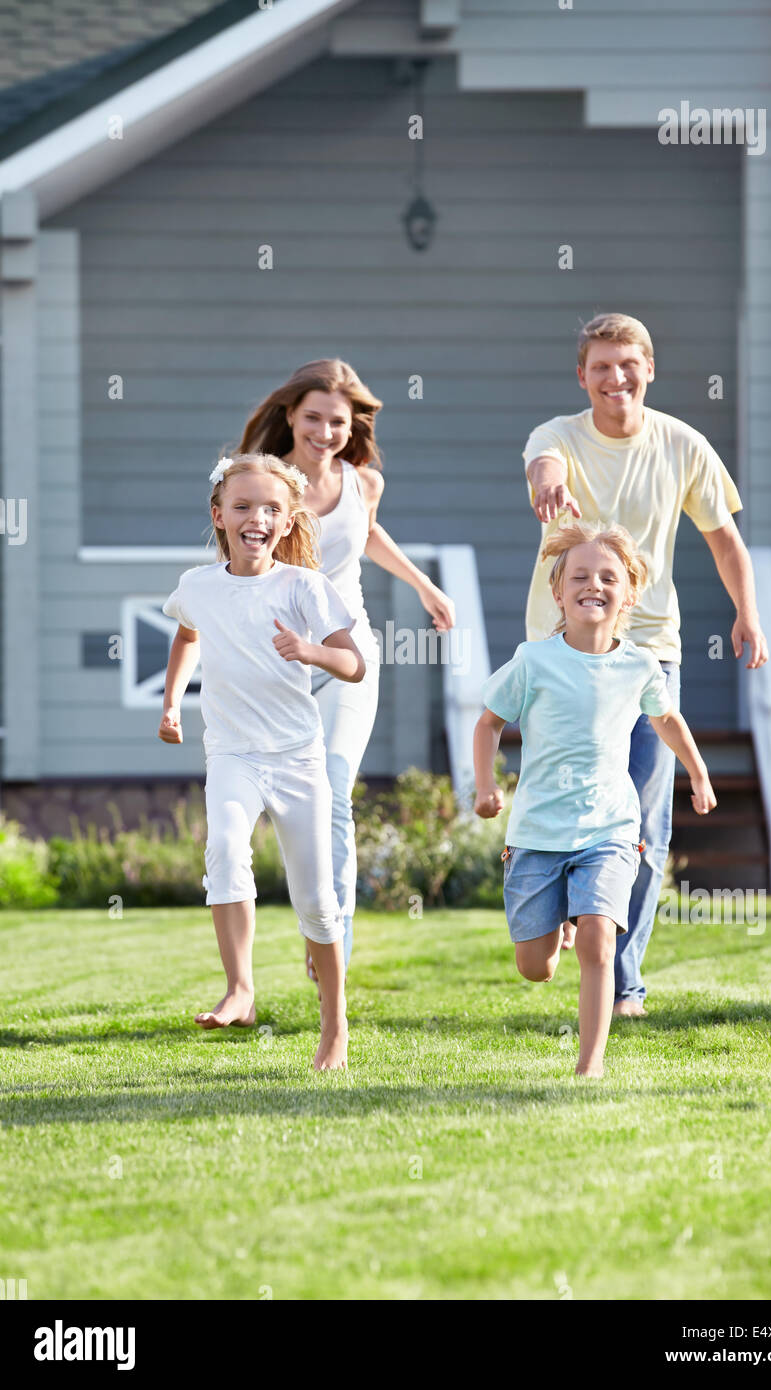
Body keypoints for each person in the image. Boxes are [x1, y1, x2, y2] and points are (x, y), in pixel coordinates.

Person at [522, 312, 768, 1016]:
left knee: (642, 817)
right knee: (566, 801)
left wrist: (747, 613)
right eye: (600, 366)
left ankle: (622, 981)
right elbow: (545, 466)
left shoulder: (683, 446)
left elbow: (726, 541)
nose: (615, 378)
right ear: (582, 376)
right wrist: (547, 486)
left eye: (627, 364)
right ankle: (569, 914)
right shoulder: (557, 437)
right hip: (562, 650)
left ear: (649, 369)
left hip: (650, 647)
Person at [237, 359, 455, 988]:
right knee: (286, 804)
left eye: (337, 421)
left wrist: (422, 585)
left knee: (333, 792)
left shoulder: (365, 484)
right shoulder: (265, 485)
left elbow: (366, 535)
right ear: (290, 417)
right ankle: (304, 926)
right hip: (278, 659)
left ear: (350, 425)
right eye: (313, 419)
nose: (325, 432)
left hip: (348, 656)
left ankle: (333, 941)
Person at [474, 521, 716, 1077]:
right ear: (557, 593)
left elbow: (668, 719)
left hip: (609, 829)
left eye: (608, 577)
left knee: (600, 944)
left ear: (629, 593)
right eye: (580, 576)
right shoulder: (533, 662)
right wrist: (487, 786)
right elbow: (488, 723)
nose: (594, 585)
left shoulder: (639, 665)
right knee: (534, 968)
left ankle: (591, 1065)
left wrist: (698, 775)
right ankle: (554, 923)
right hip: (537, 833)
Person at [157, 453, 365, 1071]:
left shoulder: (303, 587)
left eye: (270, 509)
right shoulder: (197, 584)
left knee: (318, 902)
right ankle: (241, 990)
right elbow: (188, 633)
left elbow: (355, 663)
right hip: (232, 752)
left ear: (287, 518)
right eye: (242, 507)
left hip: (298, 759)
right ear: (219, 516)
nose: (256, 518)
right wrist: (171, 703)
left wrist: (310, 652)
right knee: (223, 845)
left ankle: (335, 1027)